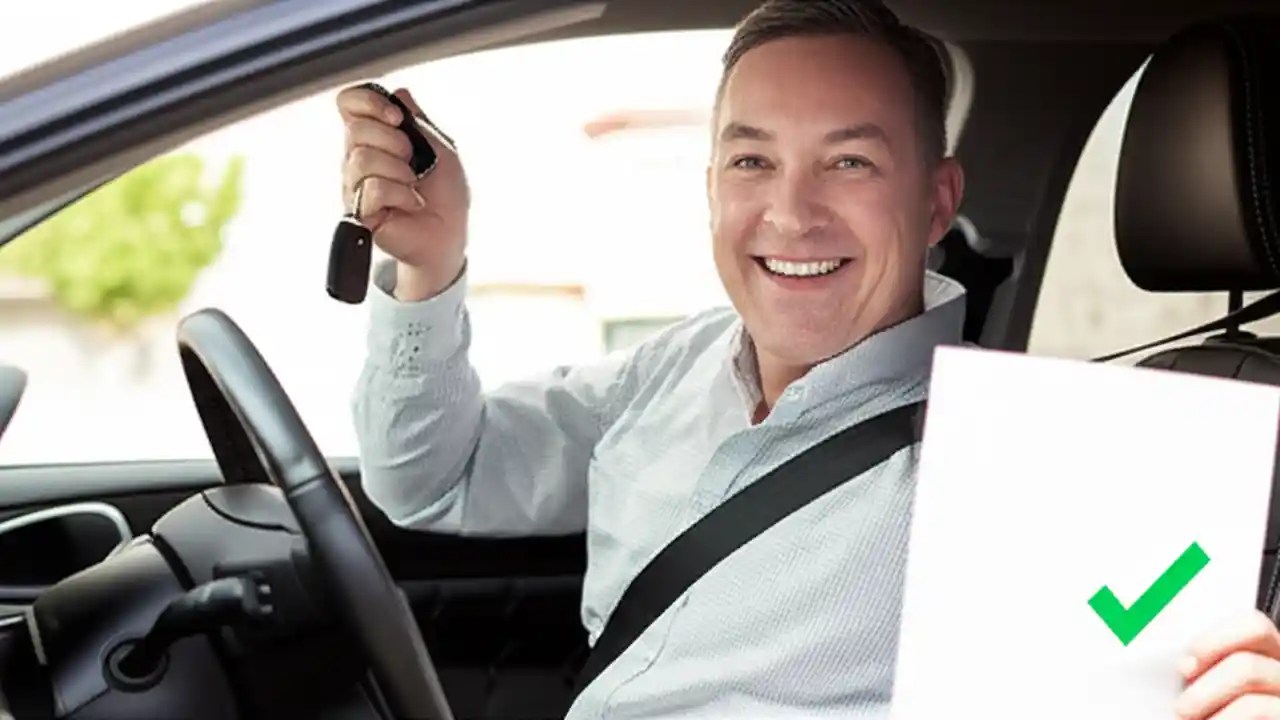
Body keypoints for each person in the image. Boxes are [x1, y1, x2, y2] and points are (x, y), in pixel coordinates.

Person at [338, 0, 1280, 717]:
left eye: (850, 163)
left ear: (937, 202)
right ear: (711, 188)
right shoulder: (670, 367)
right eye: (753, 162)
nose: (790, 214)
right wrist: (428, 264)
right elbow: (431, 479)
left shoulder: (1032, 470)